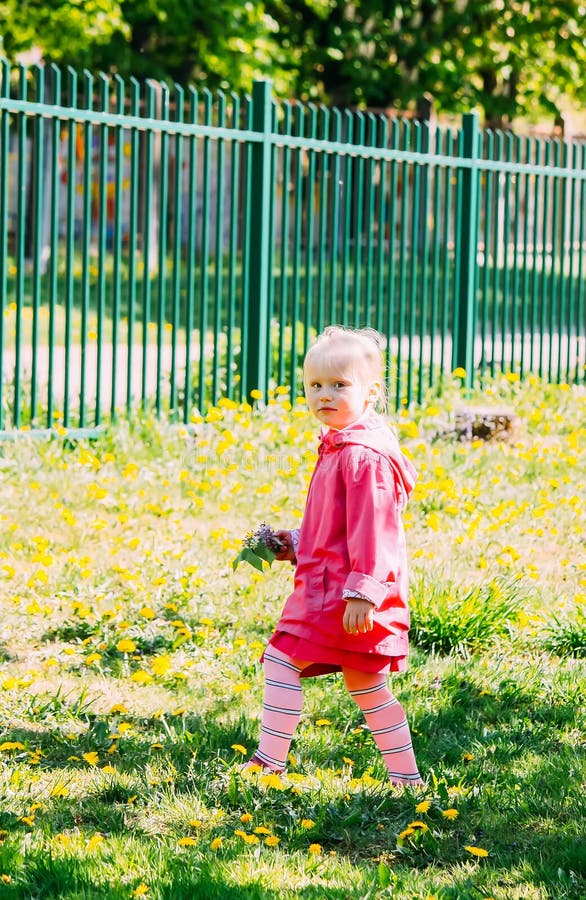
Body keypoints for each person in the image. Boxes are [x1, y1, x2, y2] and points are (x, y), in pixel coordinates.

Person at [243, 325, 422, 787]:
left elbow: (375, 532)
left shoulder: (363, 456)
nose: (325, 395)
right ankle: (407, 780)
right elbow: (335, 527)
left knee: (292, 663)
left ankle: (268, 765)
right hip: (330, 589)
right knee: (363, 685)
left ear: (370, 391)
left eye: (340, 385)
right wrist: (293, 543)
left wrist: (364, 591)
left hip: (347, 596)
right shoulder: (339, 445)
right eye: (315, 386)